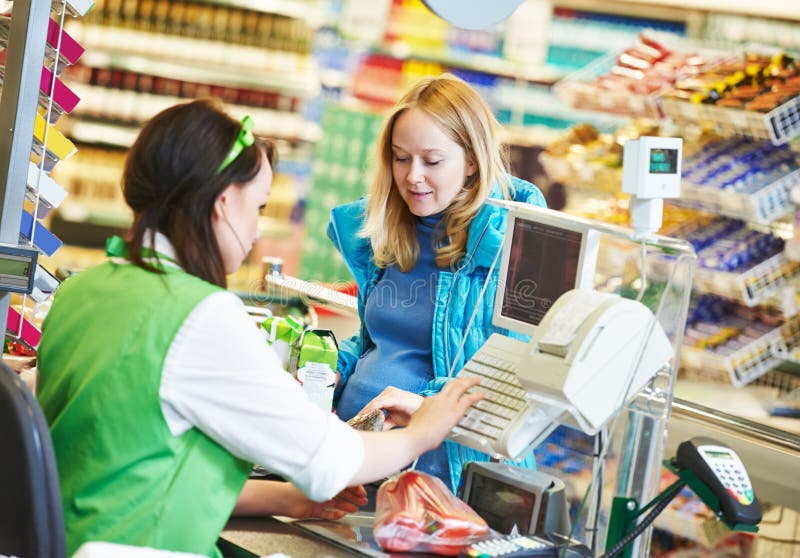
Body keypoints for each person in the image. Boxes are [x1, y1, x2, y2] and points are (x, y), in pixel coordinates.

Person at [36, 98, 483, 558]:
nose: (255, 231)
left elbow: (135, 466)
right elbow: (329, 461)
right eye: (258, 206)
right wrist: (421, 434)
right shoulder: (201, 315)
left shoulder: (81, 292)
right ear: (224, 203)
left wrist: (285, 499)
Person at [329, 73, 546, 493]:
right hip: (361, 459)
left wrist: (426, 405)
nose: (412, 176)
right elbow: (381, 342)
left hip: (442, 478)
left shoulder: (514, 245)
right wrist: (335, 369)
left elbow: (515, 378)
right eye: (400, 158)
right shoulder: (391, 234)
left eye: (431, 161)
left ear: (472, 161)